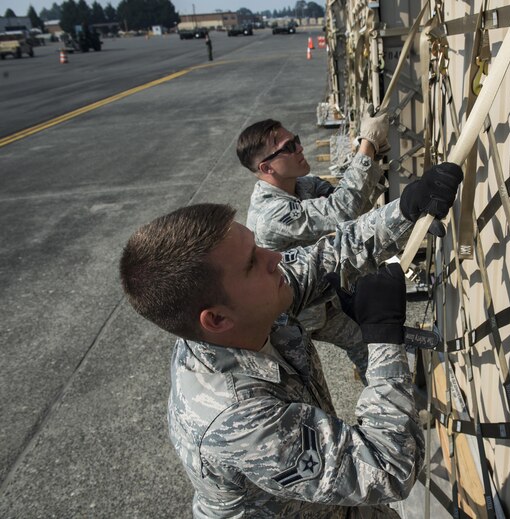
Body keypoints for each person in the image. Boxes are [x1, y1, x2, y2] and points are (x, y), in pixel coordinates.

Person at [119, 163, 463, 517]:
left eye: (258, 247)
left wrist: (404, 211)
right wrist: (384, 337)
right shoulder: (239, 423)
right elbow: (389, 468)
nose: (275, 257)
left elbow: (323, 259)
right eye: (252, 263)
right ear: (217, 319)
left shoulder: (247, 311)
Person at [237, 110, 390, 382]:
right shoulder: (271, 214)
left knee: (364, 343)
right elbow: (341, 210)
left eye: (295, 140)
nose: (300, 148)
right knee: (300, 382)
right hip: (295, 316)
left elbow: (351, 208)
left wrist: (372, 157)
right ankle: (384, 394)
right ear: (267, 168)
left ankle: (382, 388)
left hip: (323, 293)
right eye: (289, 147)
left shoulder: (302, 186)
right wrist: (367, 144)